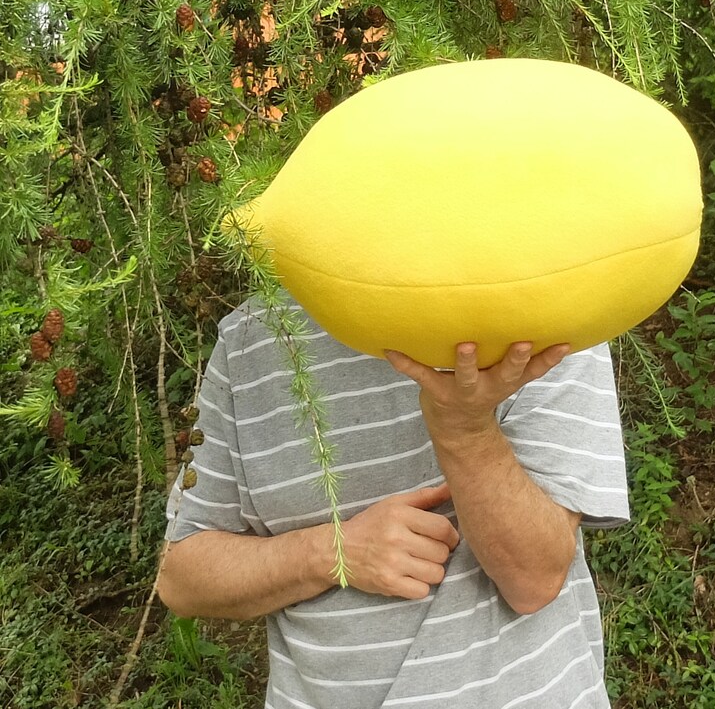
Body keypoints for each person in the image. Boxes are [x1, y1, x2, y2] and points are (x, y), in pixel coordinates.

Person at [159, 297, 630, 708]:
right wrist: (332, 552)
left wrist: (463, 428)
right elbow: (181, 578)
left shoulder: (547, 315)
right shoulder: (251, 339)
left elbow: (534, 579)